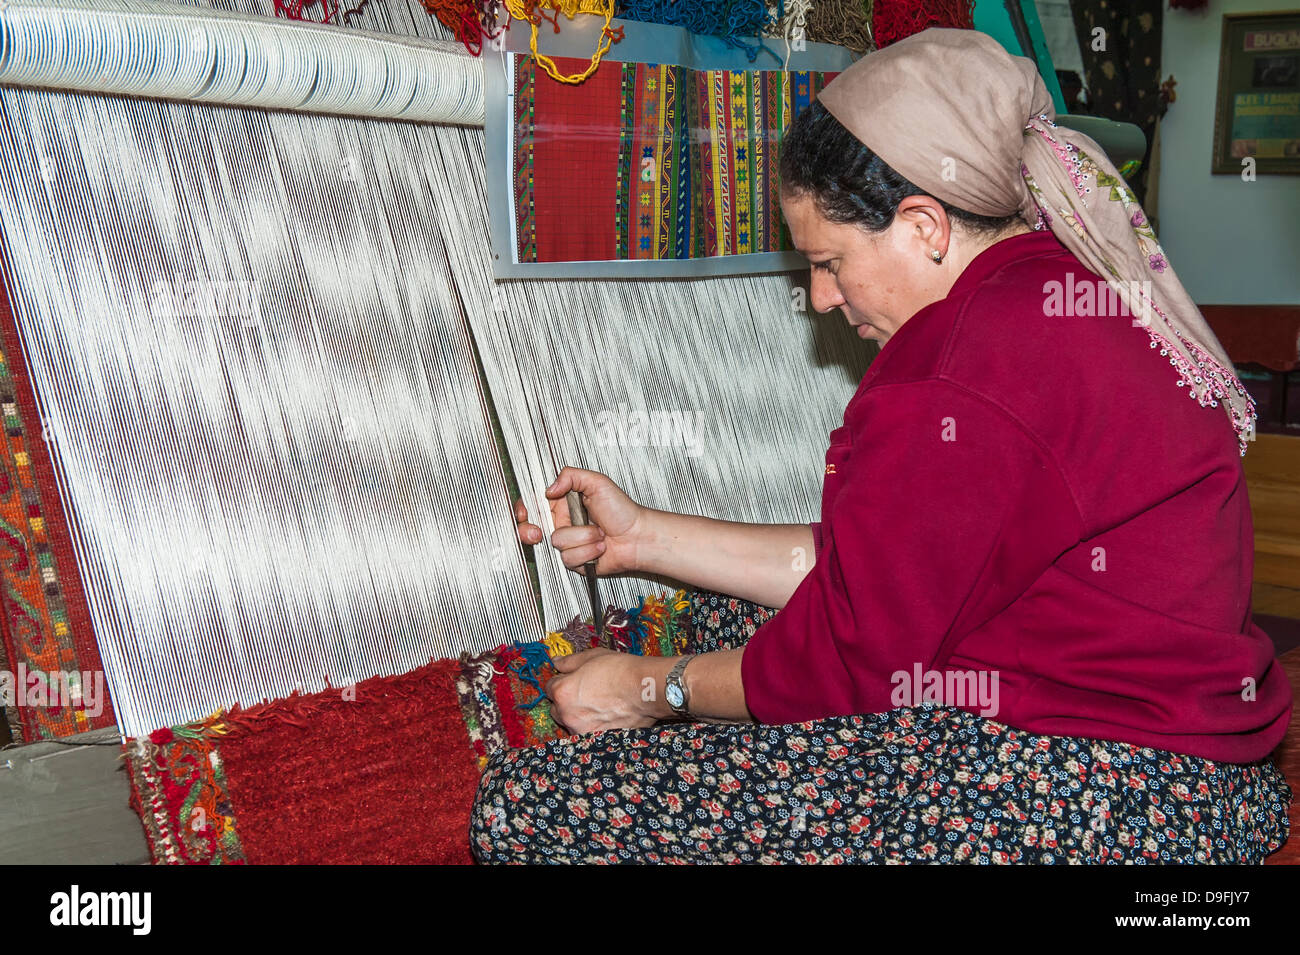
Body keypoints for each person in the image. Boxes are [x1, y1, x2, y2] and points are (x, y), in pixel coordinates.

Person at [470, 29, 1292, 864]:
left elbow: (843, 660)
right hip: (1205, 769)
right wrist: (645, 537)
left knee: (528, 807)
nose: (823, 299)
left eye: (829, 262)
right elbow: (887, 571)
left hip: (1099, 799)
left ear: (924, 225)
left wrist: (650, 690)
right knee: (728, 617)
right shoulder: (1064, 284)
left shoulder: (962, 363)